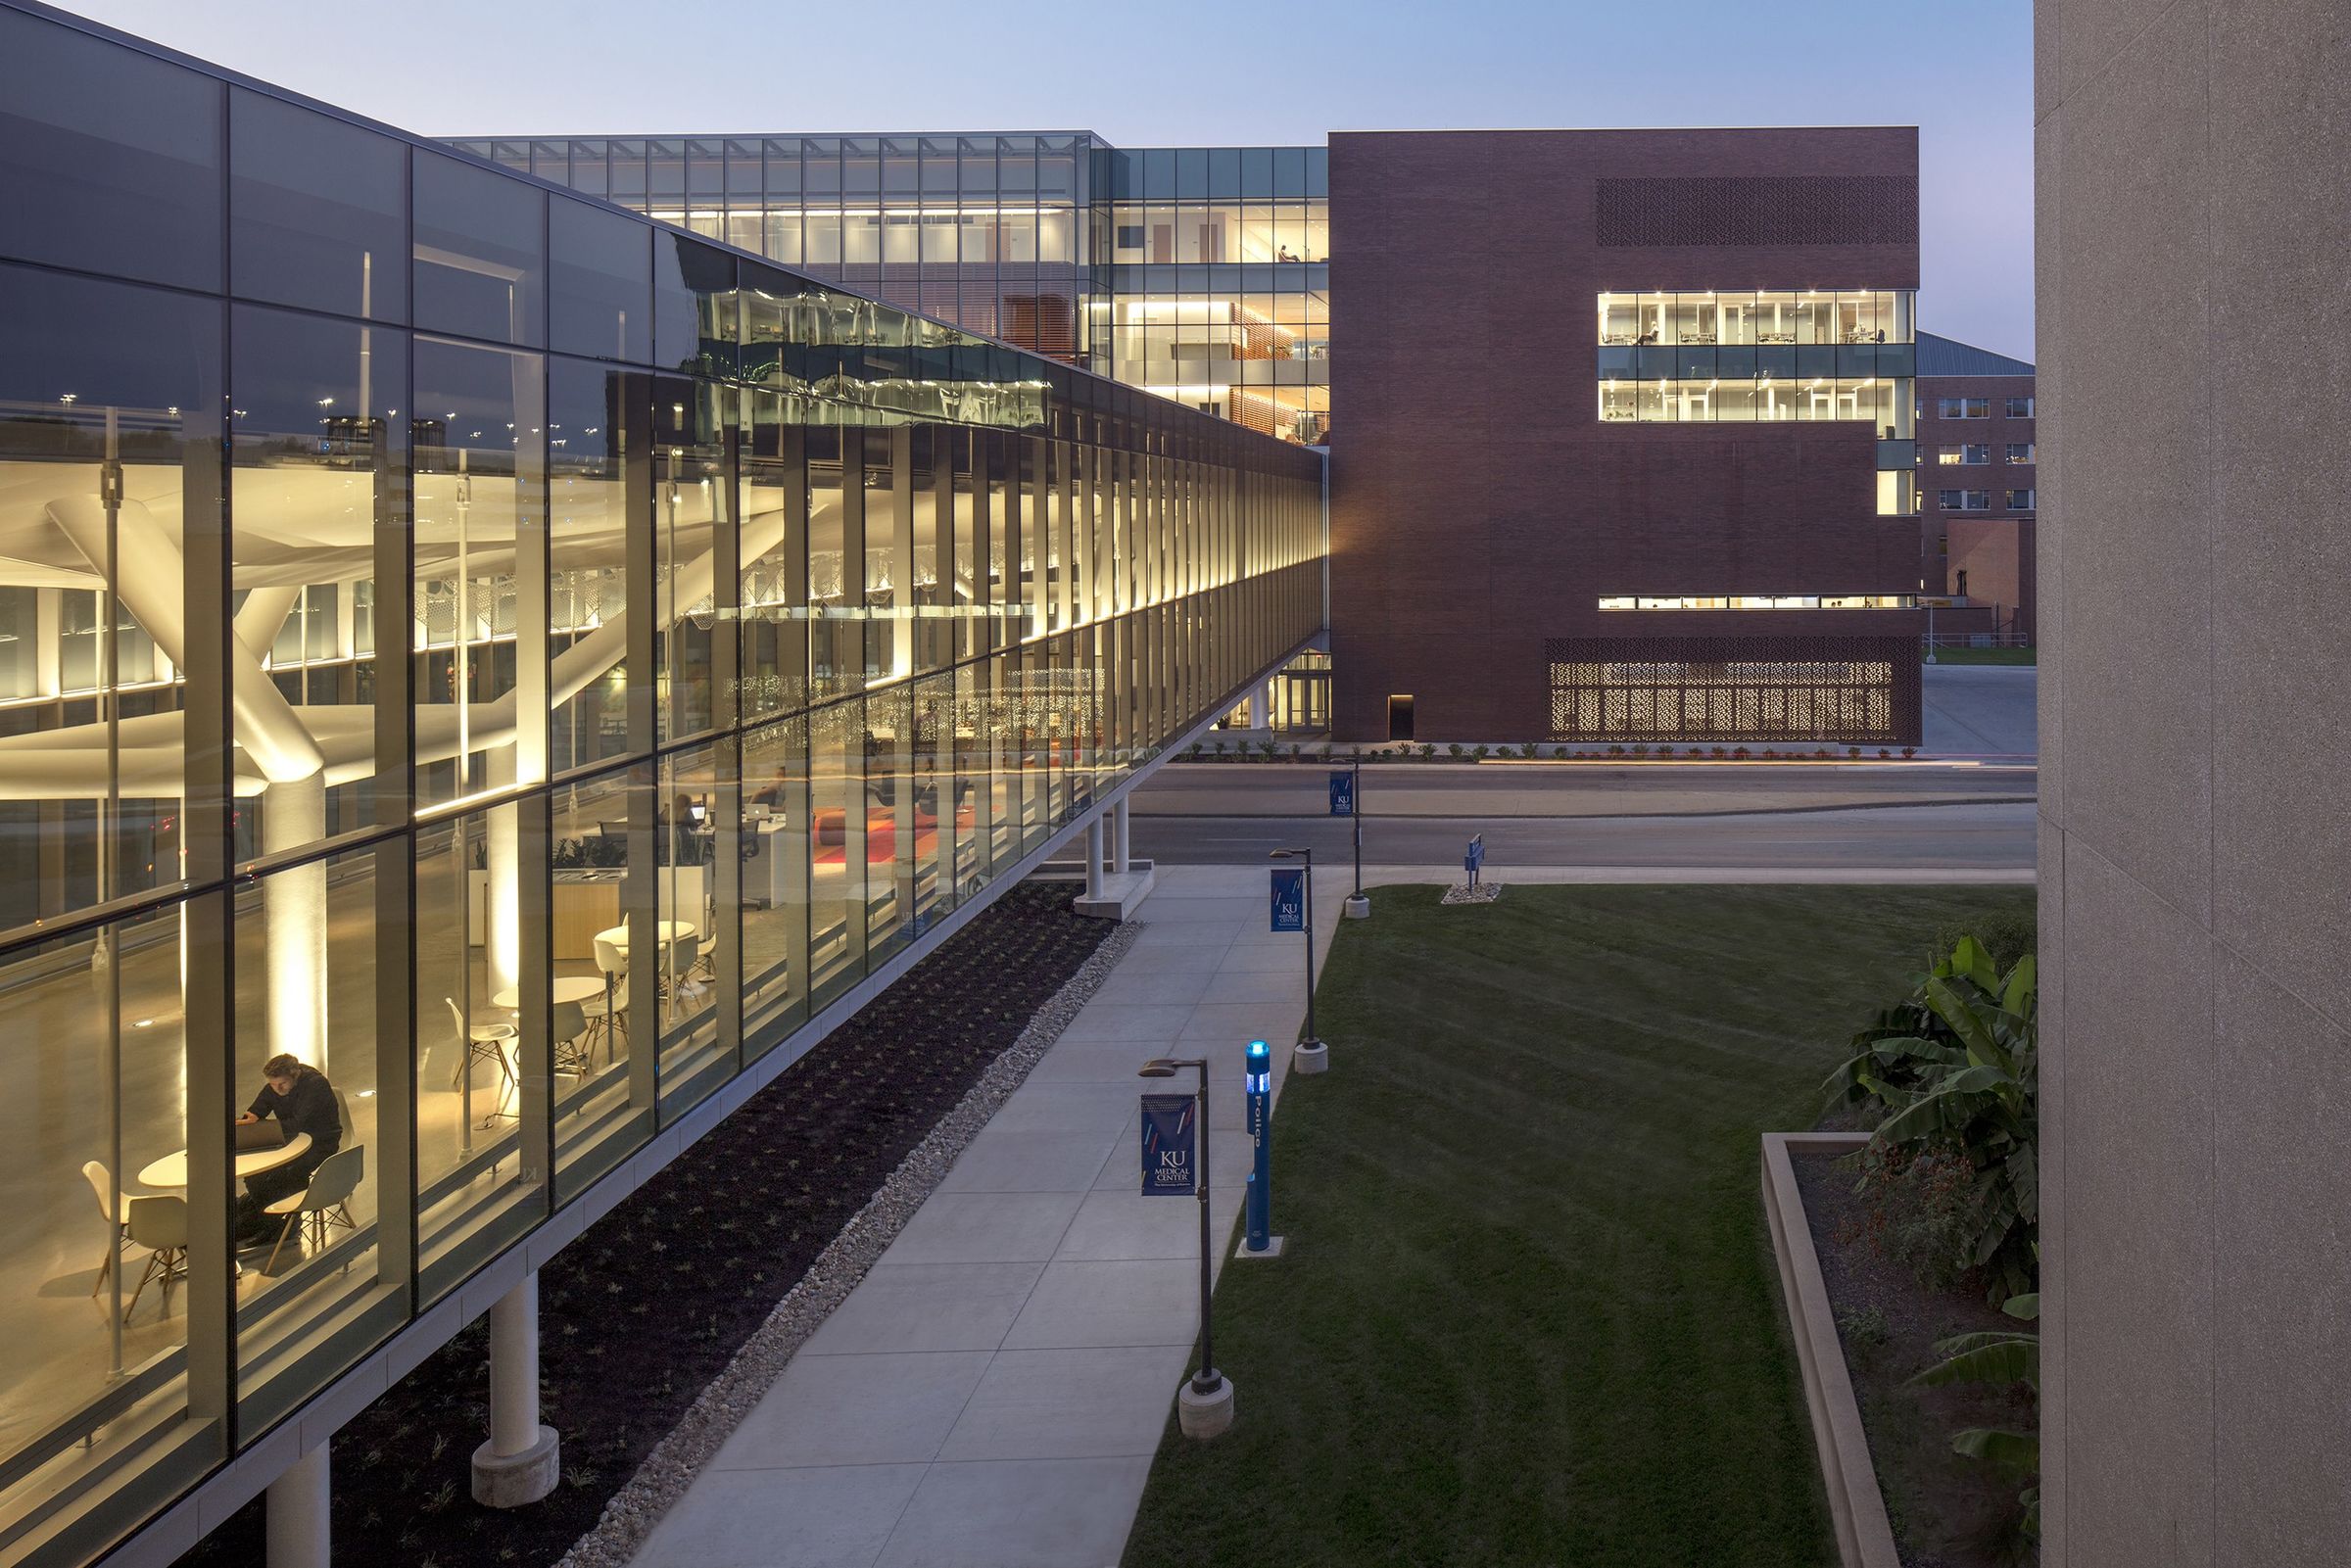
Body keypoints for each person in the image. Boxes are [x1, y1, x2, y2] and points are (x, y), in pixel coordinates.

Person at [234, 1054, 342, 1247]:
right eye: (273, 1085)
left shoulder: (315, 1085)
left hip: (320, 1143)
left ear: (295, 1074)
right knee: (256, 1175)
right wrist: (251, 1119)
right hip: (289, 1143)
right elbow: (257, 1110)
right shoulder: (275, 1087)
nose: (278, 1089)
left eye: (282, 1084)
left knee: (284, 1173)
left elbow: (299, 1123)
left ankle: (280, 1223)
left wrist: (265, 1126)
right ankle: (271, 1221)